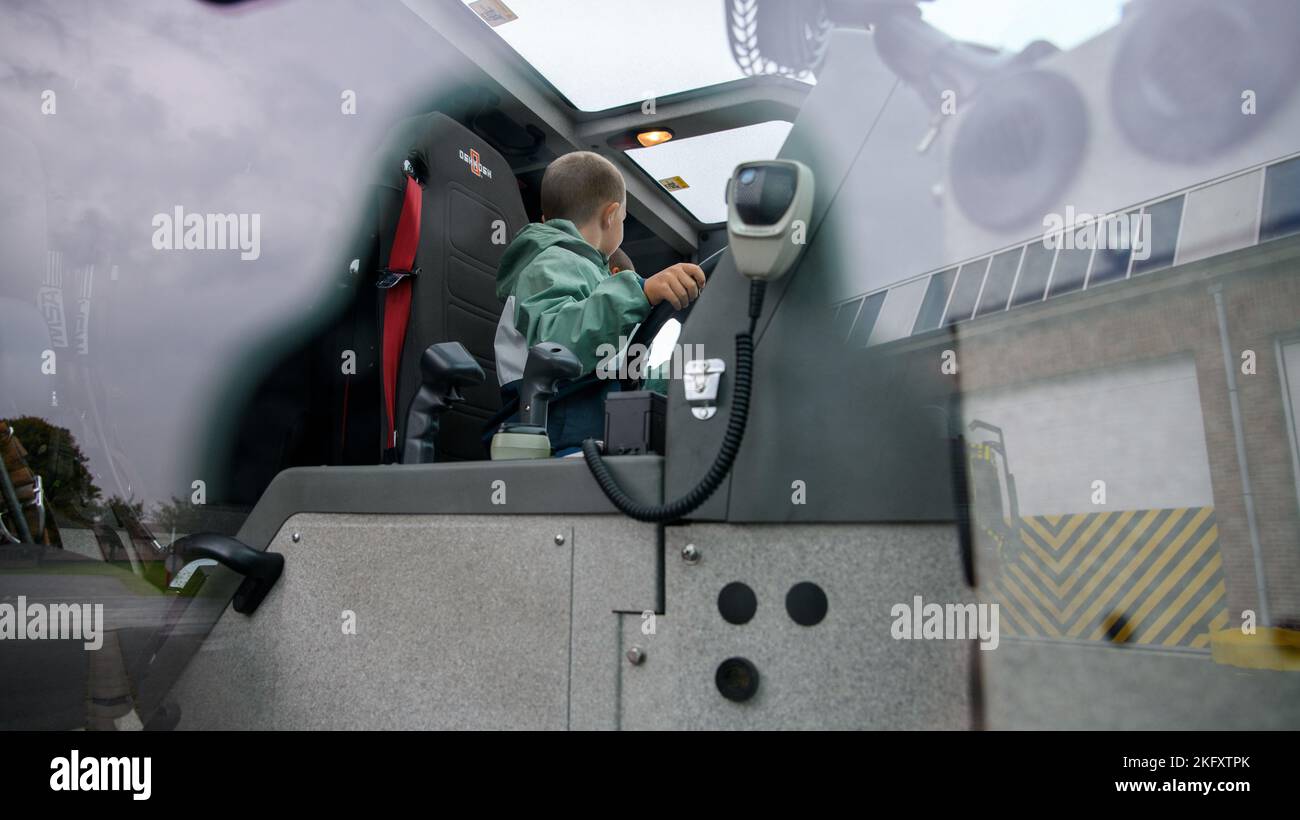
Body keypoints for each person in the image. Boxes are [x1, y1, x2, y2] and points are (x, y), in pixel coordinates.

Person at [492, 151, 705, 452]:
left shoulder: (594, 278)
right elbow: (559, 344)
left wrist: (684, 374)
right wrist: (639, 292)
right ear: (611, 215)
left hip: (589, 433)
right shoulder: (551, 263)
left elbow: (619, 372)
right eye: (624, 219)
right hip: (552, 439)